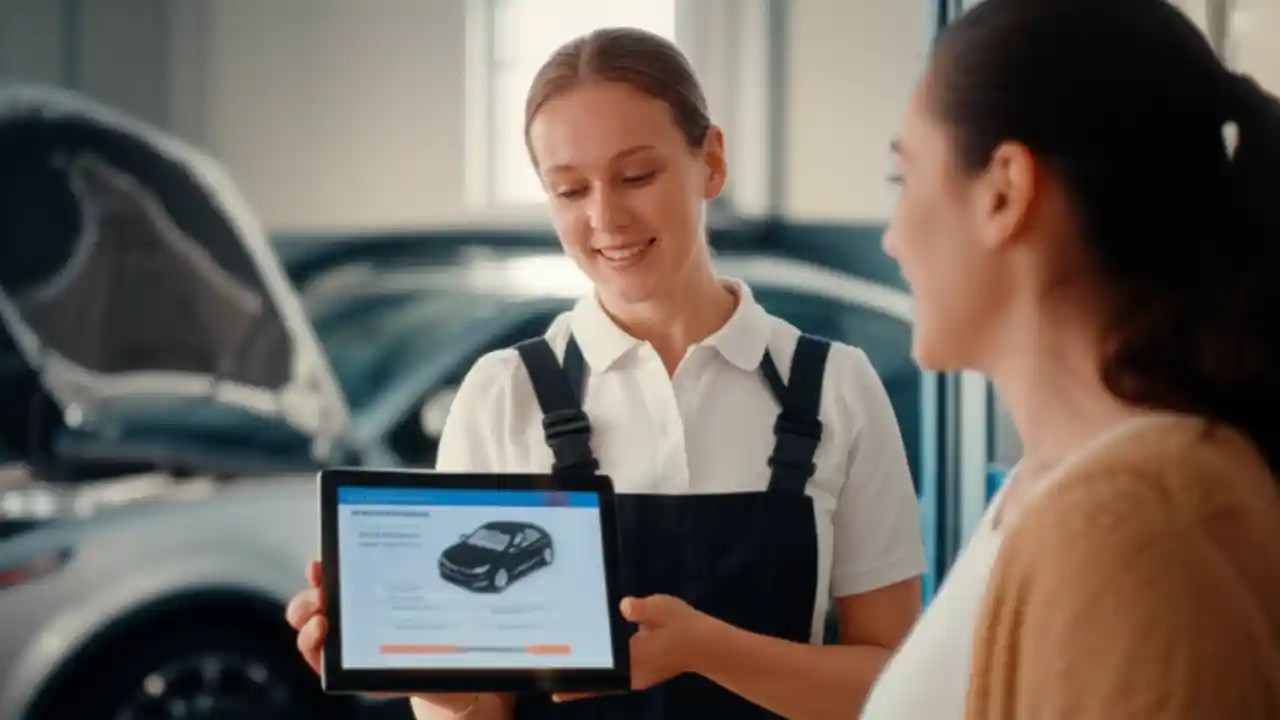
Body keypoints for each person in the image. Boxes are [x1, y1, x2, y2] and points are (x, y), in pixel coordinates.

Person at [286, 26, 927, 720]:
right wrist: (437, 683)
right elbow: (482, 711)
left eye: (636, 176)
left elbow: (896, 690)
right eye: (569, 190)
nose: (606, 218)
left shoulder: (836, 388)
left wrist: (704, 649)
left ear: (710, 161)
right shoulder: (504, 395)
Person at [859, 0, 1280, 718]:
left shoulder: (1135, 526)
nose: (891, 239)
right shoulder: (1055, 487)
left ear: (1004, 190)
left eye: (906, 180)